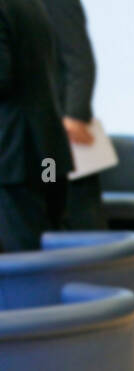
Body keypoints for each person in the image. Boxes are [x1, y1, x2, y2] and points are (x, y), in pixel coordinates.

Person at [0, 0, 70, 252]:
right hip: (47, 151)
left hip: (14, 156)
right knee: (51, 233)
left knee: (26, 247)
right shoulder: (31, 4)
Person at [42, 0, 107, 231]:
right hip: (43, 134)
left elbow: (79, 60)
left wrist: (74, 115)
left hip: (68, 129)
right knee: (51, 208)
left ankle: (99, 267)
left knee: (80, 210)